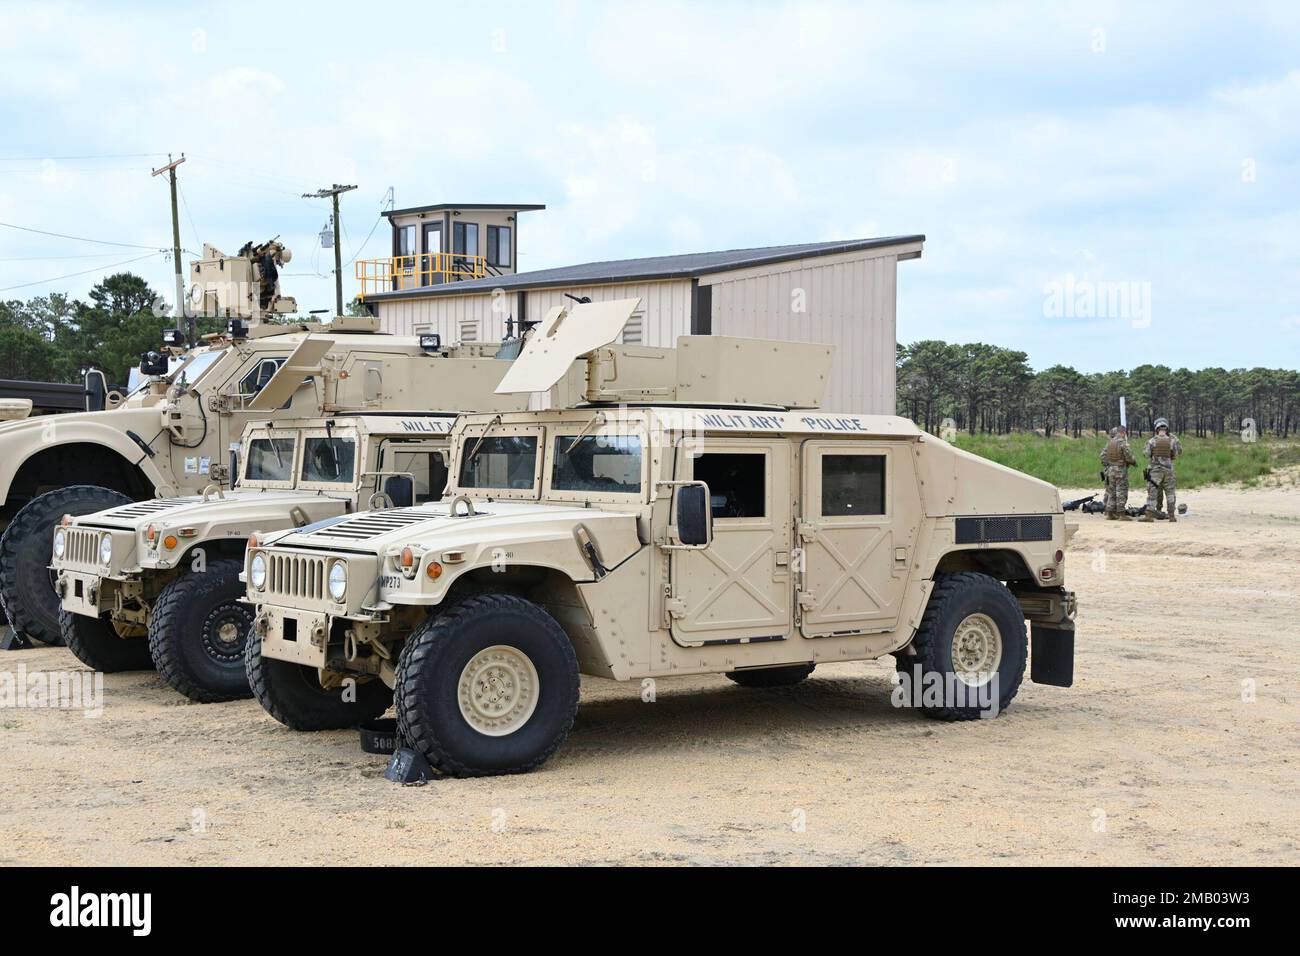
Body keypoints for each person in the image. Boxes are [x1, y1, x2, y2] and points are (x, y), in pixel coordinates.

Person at [1141, 417, 1182, 522]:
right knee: (1170, 493)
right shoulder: (1172, 441)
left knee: (1152, 492)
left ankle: (1149, 516)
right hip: (1169, 471)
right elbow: (1176, 454)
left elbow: (1146, 454)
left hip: (1155, 471)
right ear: (1166, 428)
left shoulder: (1152, 441)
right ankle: (1172, 516)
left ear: (1156, 429)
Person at [1100, 425, 1136, 520]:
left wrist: (1109, 464)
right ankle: (1121, 514)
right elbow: (1129, 457)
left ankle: (1110, 513)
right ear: (1123, 432)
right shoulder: (1123, 443)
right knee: (1121, 491)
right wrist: (1133, 462)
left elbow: (1102, 456)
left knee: (1111, 491)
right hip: (1120, 470)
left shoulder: (1110, 443)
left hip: (1110, 470)